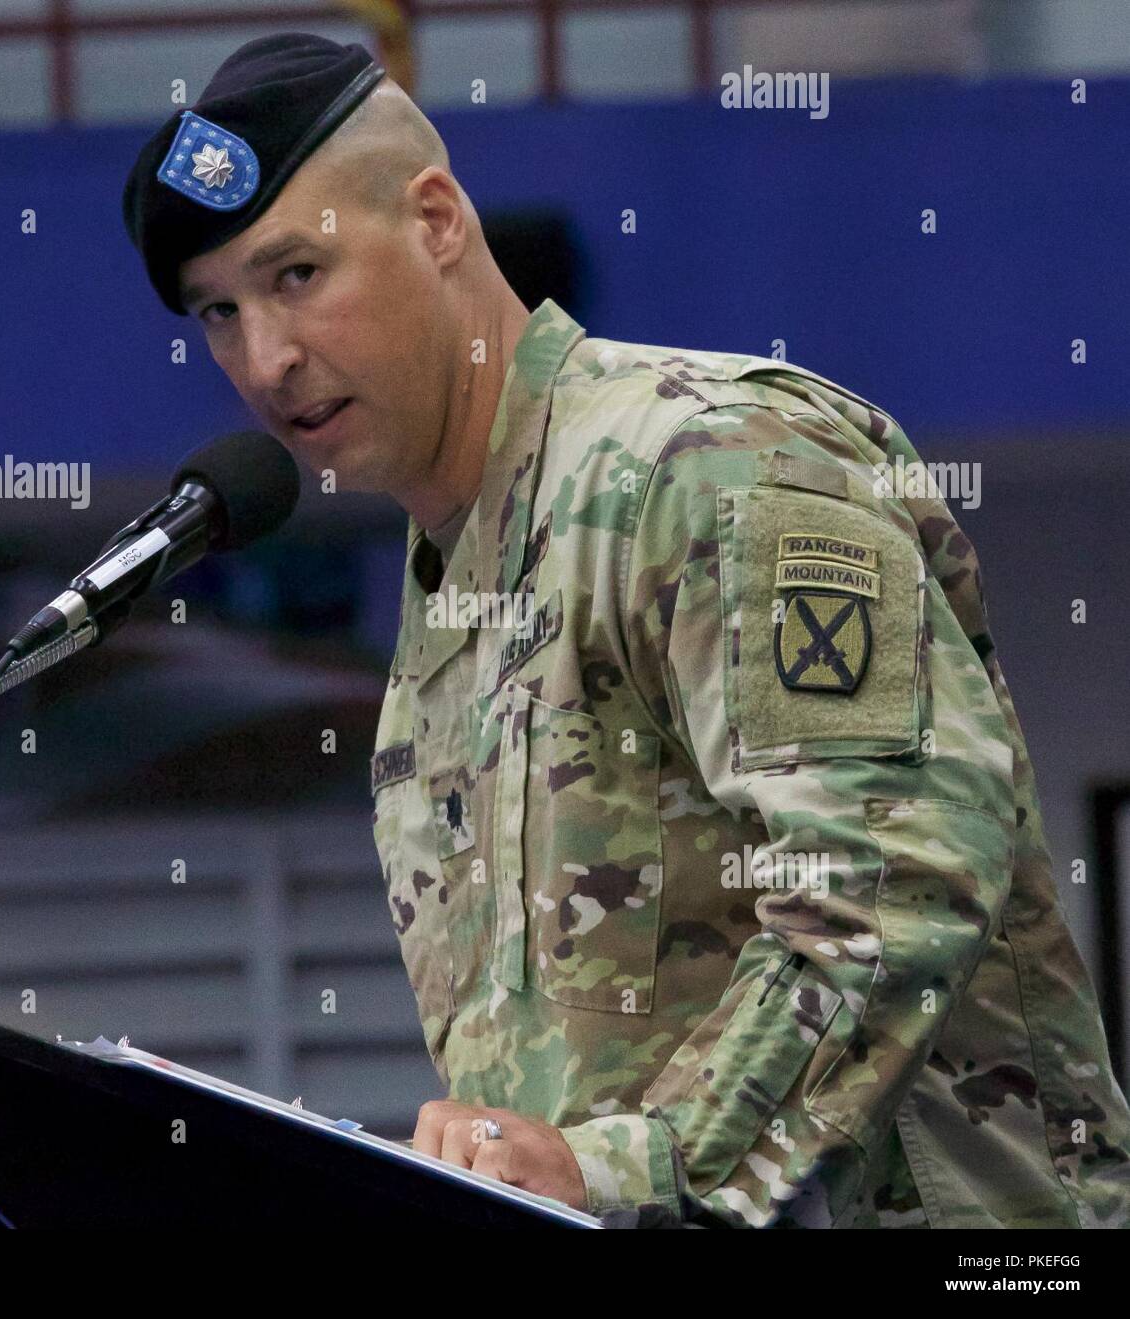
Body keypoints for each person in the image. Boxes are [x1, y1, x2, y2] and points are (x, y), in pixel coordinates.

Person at [123, 32, 1130, 1228]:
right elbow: (561, 1104)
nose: (267, 358)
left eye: (295, 274)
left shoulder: (701, 460)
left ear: (437, 219)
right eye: (218, 314)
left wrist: (641, 1163)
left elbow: (891, 870)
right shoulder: (454, 589)